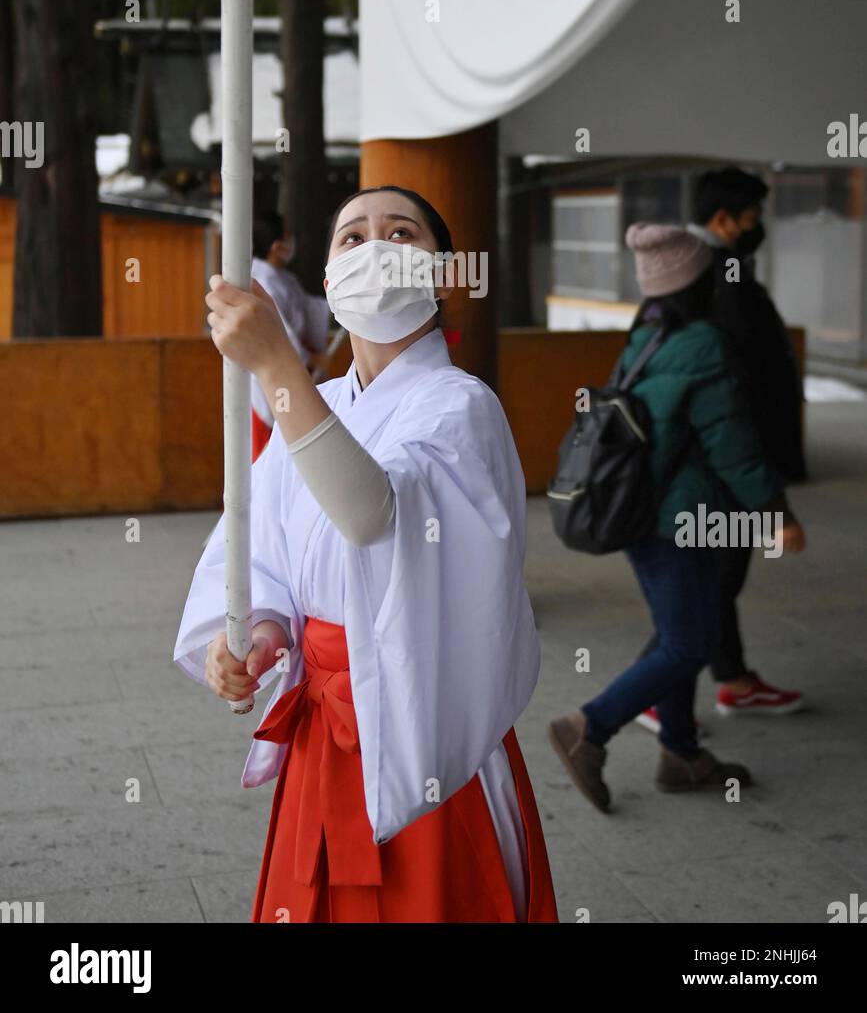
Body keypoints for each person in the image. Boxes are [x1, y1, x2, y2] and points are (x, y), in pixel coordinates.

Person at [174, 185, 558, 923]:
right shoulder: (325, 402)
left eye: (401, 232)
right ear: (326, 279)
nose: (374, 247)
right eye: (352, 236)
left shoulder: (458, 404)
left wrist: (274, 366)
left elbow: (370, 513)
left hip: (422, 726)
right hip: (326, 730)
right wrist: (259, 630)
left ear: (442, 275)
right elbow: (260, 547)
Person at [548, 224, 806, 814]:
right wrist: (776, 512)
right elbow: (730, 442)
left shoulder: (647, 337)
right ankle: (588, 727)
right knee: (689, 644)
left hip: (645, 513)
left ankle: (683, 754)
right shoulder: (706, 345)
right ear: (700, 283)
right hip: (680, 522)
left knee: (684, 628)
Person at [639, 168, 805, 726]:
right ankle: (643, 699)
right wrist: (770, 501)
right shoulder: (717, 277)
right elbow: (730, 400)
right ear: (724, 219)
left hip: (704, 469)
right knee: (711, 583)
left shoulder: (689, 274)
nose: (759, 228)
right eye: (754, 217)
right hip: (713, 472)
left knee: (714, 580)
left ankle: (726, 682)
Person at [249, 211, 331, 460]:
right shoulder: (262, 281)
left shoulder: (284, 279)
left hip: (296, 371)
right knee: (269, 452)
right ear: (277, 247)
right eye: (287, 235)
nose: (292, 241)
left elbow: (311, 309)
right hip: (272, 377)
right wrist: (308, 357)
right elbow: (279, 332)